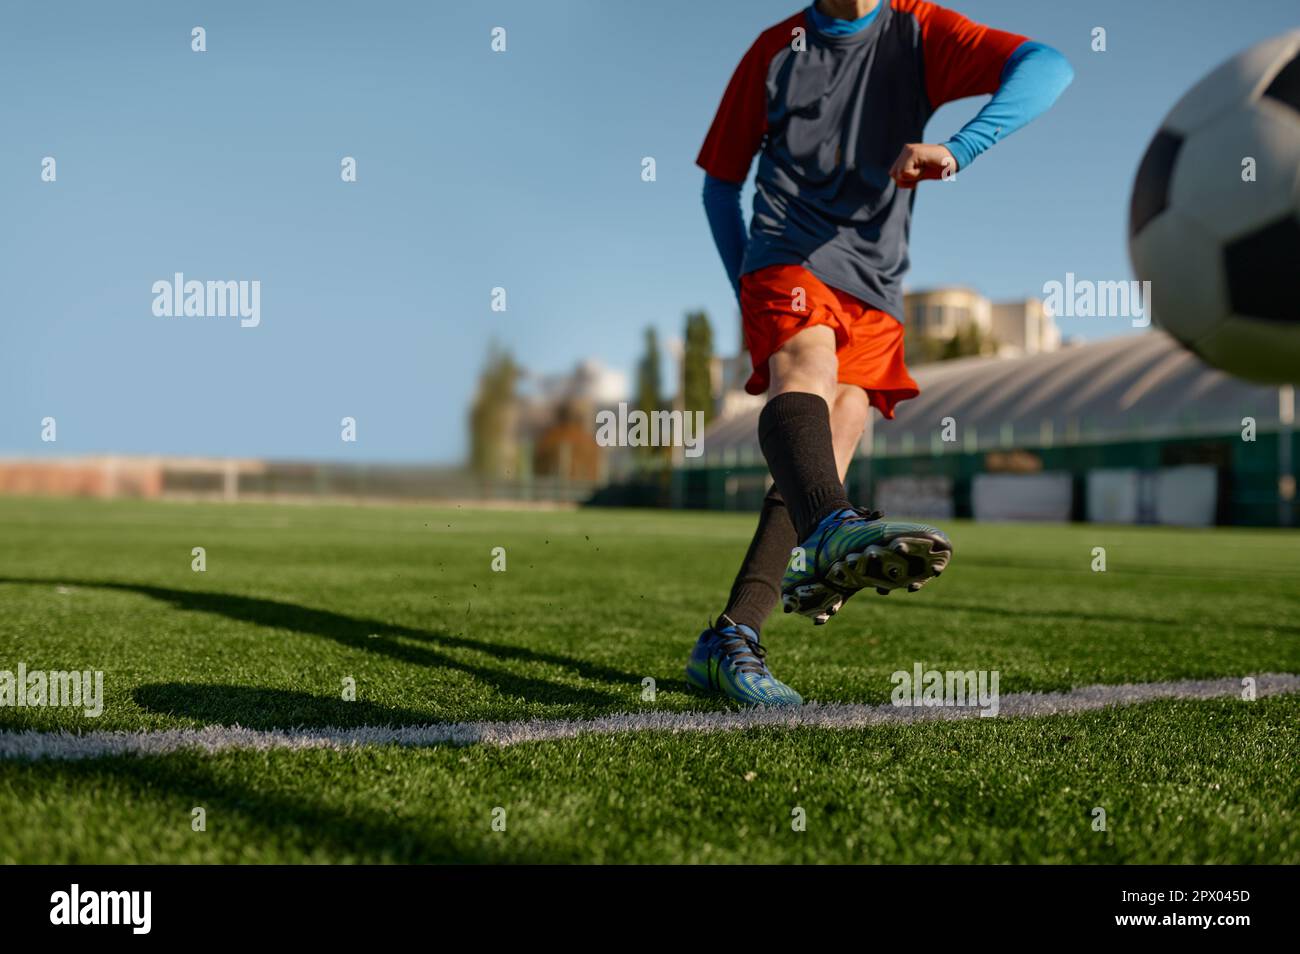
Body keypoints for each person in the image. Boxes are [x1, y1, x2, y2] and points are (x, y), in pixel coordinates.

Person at [685, 0, 1073, 706]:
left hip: (874, 282)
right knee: (807, 370)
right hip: (785, 256)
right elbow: (720, 183)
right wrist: (748, 284)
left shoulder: (918, 31)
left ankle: (733, 635)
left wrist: (960, 148)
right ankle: (828, 533)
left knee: (837, 435)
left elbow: (1047, 67)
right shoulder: (775, 52)